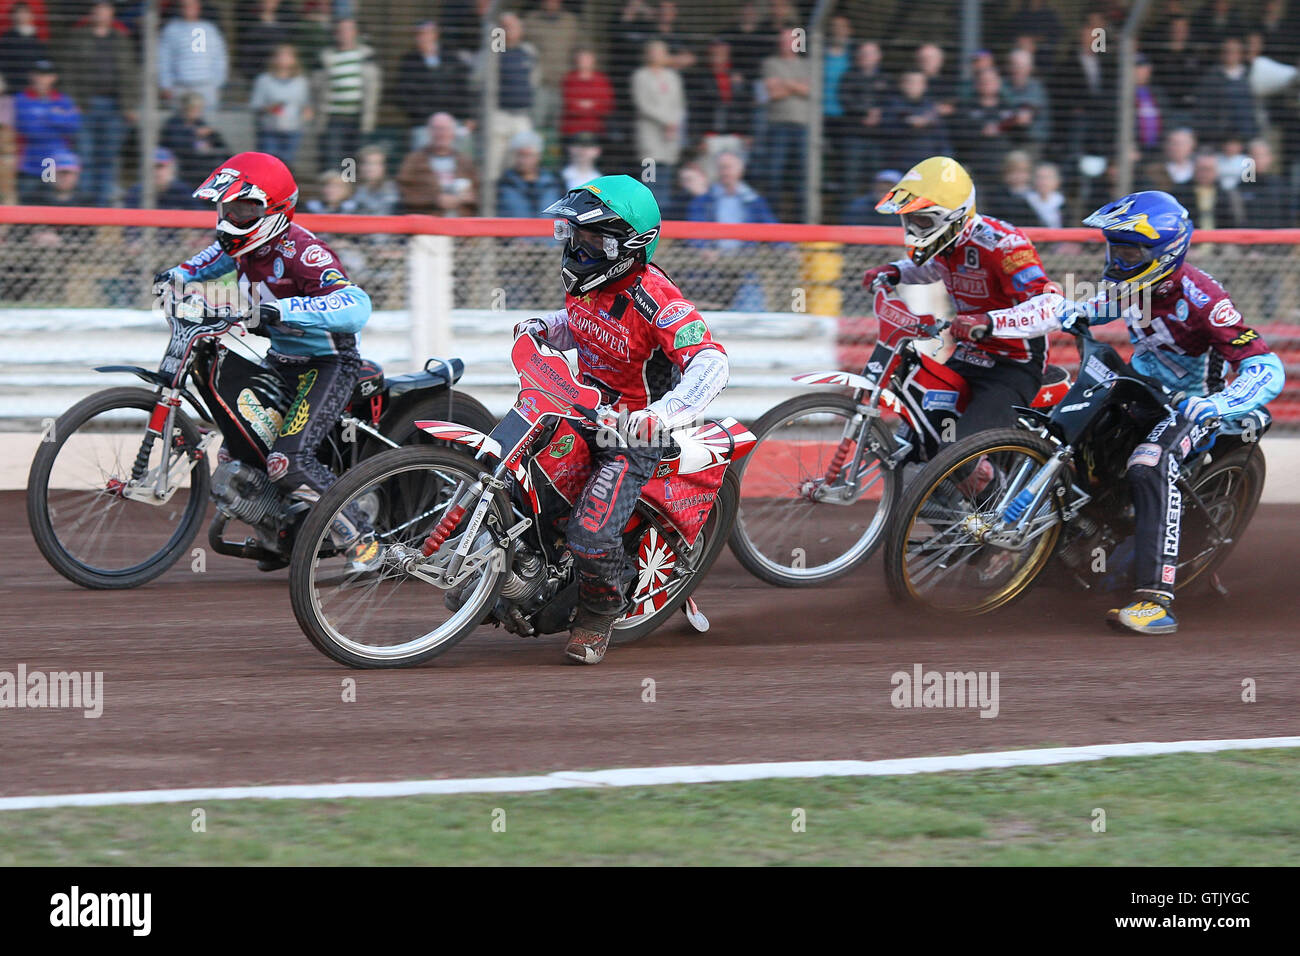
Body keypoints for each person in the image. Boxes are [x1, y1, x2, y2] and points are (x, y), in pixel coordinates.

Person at [965, 191, 1285, 634]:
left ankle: (1156, 601)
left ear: (1163, 252)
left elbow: (1265, 366)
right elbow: (1087, 309)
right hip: (1140, 388)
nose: (1118, 257)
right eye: (1115, 247)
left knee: (1149, 464)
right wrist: (1009, 321)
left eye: (1129, 249)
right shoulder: (1136, 286)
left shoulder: (1205, 299)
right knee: (1056, 424)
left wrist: (1216, 403)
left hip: (1189, 407)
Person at [517, 176, 729, 664]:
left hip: (632, 434)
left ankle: (598, 611)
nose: (578, 248)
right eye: (574, 236)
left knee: (590, 535)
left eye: (593, 241)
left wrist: (661, 415)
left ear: (627, 247)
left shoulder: (656, 297)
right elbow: (583, 323)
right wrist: (544, 327)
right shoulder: (592, 280)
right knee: (521, 480)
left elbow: (711, 360)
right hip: (582, 408)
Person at [153, 152, 375, 569]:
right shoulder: (242, 246)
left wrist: (284, 310)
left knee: (287, 462)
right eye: (228, 209)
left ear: (273, 211)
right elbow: (211, 260)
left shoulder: (303, 252)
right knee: (239, 449)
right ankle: (281, 531)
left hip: (326, 365)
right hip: (281, 360)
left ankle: (364, 539)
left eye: (242, 210)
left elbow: (357, 305)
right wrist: (177, 274)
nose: (230, 218)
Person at [862, 156, 1053, 447]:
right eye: (909, 220)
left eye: (922, 220)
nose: (914, 229)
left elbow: (1049, 306)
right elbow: (932, 268)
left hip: (1013, 364)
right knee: (921, 435)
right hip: (967, 354)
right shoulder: (944, 241)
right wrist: (895, 271)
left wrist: (989, 321)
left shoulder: (1005, 243)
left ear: (952, 215)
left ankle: (988, 488)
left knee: (960, 455)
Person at [250, 44, 312, 165]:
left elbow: (305, 105)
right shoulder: (264, 80)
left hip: (292, 130)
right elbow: (255, 105)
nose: (284, 59)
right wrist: (269, 108)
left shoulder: (301, 82)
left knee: (286, 166)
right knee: (266, 165)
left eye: (288, 55)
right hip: (269, 131)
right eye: (281, 55)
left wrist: (307, 114)